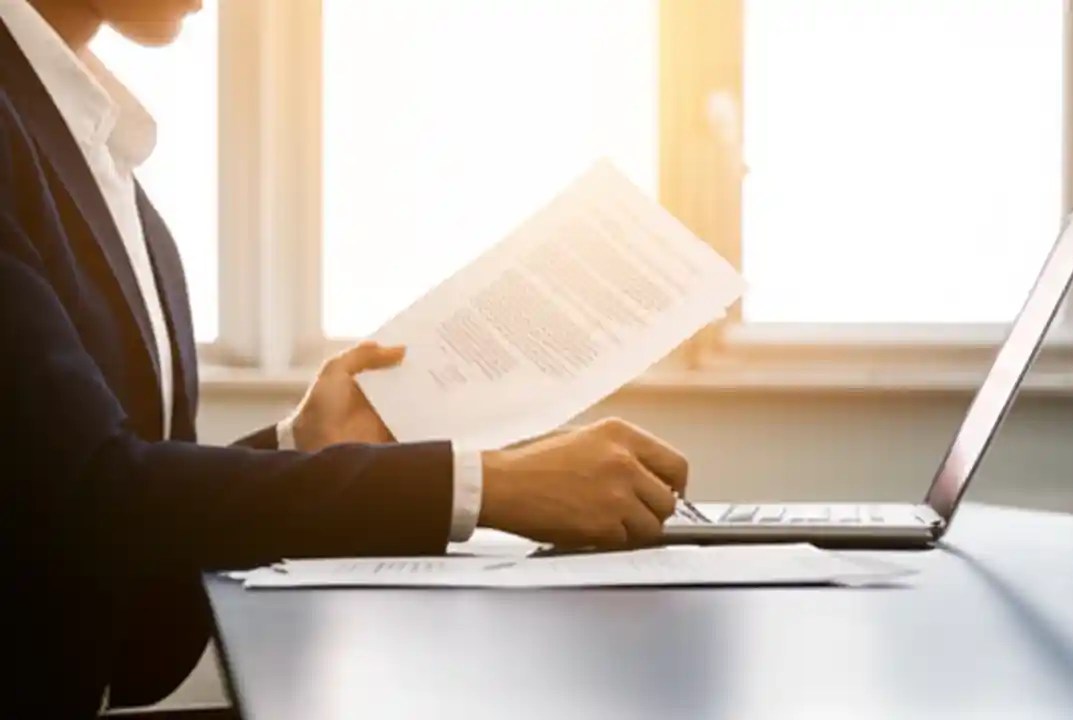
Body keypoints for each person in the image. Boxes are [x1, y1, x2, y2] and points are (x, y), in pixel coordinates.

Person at [0, 0, 690, 715]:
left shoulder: (87, 136)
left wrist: (301, 447)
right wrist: (487, 485)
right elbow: (93, 496)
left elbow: (106, 497)